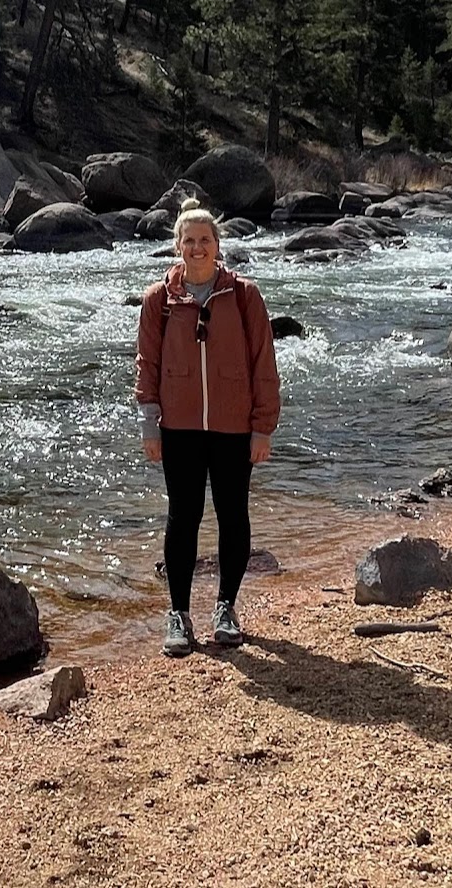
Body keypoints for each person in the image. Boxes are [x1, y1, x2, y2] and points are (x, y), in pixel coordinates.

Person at [135, 202, 282, 655]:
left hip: (234, 428)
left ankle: (226, 607)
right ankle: (178, 615)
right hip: (177, 427)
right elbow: (147, 365)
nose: (197, 248)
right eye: (189, 240)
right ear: (177, 247)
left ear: (218, 246)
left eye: (205, 240)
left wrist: (263, 428)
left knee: (232, 514)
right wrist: (149, 425)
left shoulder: (244, 296)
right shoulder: (158, 300)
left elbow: (264, 366)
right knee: (184, 518)